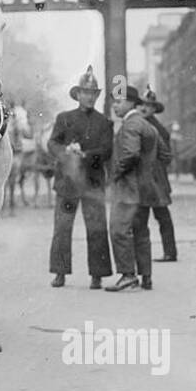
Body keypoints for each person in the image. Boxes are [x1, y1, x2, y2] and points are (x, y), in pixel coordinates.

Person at [47, 67, 115, 289]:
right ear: (77, 95)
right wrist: (65, 153)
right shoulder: (64, 118)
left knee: (96, 228)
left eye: (92, 93)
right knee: (62, 228)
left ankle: (97, 274)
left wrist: (85, 155)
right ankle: (60, 273)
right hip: (68, 184)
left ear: (96, 96)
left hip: (93, 183)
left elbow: (106, 151)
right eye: (85, 92)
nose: (88, 96)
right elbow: (52, 143)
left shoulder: (104, 123)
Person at [106, 85, 162, 293]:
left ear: (130, 103)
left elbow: (131, 154)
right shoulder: (148, 125)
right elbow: (163, 154)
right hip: (144, 188)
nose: (115, 105)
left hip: (128, 188)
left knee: (119, 230)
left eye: (118, 101)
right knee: (140, 231)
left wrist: (115, 174)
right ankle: (146, 276)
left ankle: (128, 275)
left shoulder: (130, 125)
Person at [142, 87, 178, 262]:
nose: (145, 108)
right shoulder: (145, 124)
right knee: (158, 214)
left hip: (155, 177)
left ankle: (170, 252)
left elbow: (166, 156)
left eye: (149, 106)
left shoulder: (158, 129)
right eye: (142, 105)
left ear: (154, 109)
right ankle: (169, 251)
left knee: (161, 214)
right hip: (150, 176)